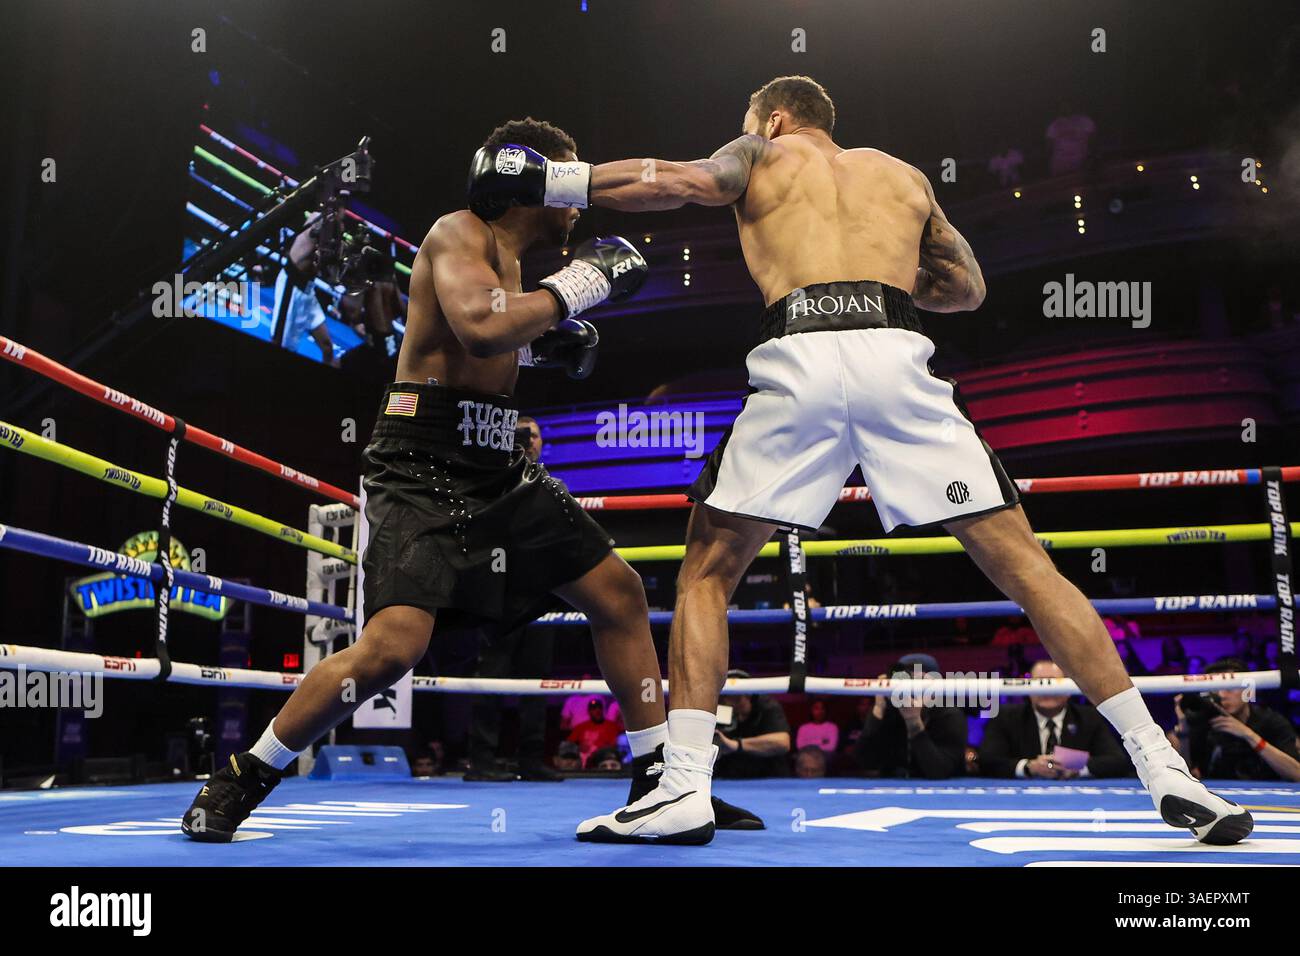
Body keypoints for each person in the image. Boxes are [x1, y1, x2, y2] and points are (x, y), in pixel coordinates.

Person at [472, 75, 1253, 844]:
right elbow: (968, 289)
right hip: (897, 352)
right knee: (1031, 570)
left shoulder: (757, 152)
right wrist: (878, 278)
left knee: (707, 571)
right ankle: (1165, 768)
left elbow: (681, 182)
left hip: (800, 355)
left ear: (774, 120)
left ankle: (683, 789)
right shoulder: (902, 175)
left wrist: (553, 179)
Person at [182, 117, 665, 843]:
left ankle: (662, 781)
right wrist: (585, 284)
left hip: (498, 462)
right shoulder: (459, 232)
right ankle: (243, 776)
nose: (578, 206)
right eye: (570, 185)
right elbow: (477, 326)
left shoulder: (510, 261)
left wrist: (543, 352)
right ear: (534, 183)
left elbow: (474, 354)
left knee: (618, 592)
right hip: (422, 459)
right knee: (391, 649)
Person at [465, 416, 565, 783]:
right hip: (499, 592)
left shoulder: (554, 486)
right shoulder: (492, 478)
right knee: (492, 675)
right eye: (521, 435)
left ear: (543, 442)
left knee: (538, 681)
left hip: (541, 594)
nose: (529, 441)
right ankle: (481, 760)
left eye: (534, 435)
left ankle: (531, 759)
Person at [977, 661, 1129, 778]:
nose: (1047, 690)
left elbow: (1117, 760)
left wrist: (1077, 767)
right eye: (1040, 682)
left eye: (1053, 682)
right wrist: (1028, 767)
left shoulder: (1089, 718)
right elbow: (987, 760)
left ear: (1069, 689)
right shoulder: (1006, 717)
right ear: (1028, 688)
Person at [1172, 658, 1300, 782]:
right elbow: (1185, 777)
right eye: (1216, 689)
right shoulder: (1203, 723)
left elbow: (1297, 773)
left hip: (1270, 801)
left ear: (1248, 691)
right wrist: (1183, 731)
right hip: (1217, 800)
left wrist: (1249, 735)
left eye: (1230, 687)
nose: (1222, 695)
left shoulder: (1271, 722)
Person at [853, 654, 966, 779]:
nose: (912, 688)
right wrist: (878, 708)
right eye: (906, 680)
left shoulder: (950, 715)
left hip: (942, 794)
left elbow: (939, 771)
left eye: (919, 681)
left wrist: (914, 722)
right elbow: (865, 761)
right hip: (893, 791)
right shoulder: (889, 710)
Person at [714, 673, 792, 779]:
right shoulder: (718, 708)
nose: (728, 701)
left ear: (748, 695)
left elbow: (782, 742)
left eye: (735, 697)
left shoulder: (767, 706)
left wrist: (736, 745)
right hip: (730, 778)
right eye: (725, 697)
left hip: (770, 778)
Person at [568, 699, 624, 767]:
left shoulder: (612, 726)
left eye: (599, 708)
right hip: (583, 760)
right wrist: (579, 748)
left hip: (603, 759)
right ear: (589, 711)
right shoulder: (580, 727)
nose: (597, 710)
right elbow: (569, 744)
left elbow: (615, 746)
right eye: (594, 708)